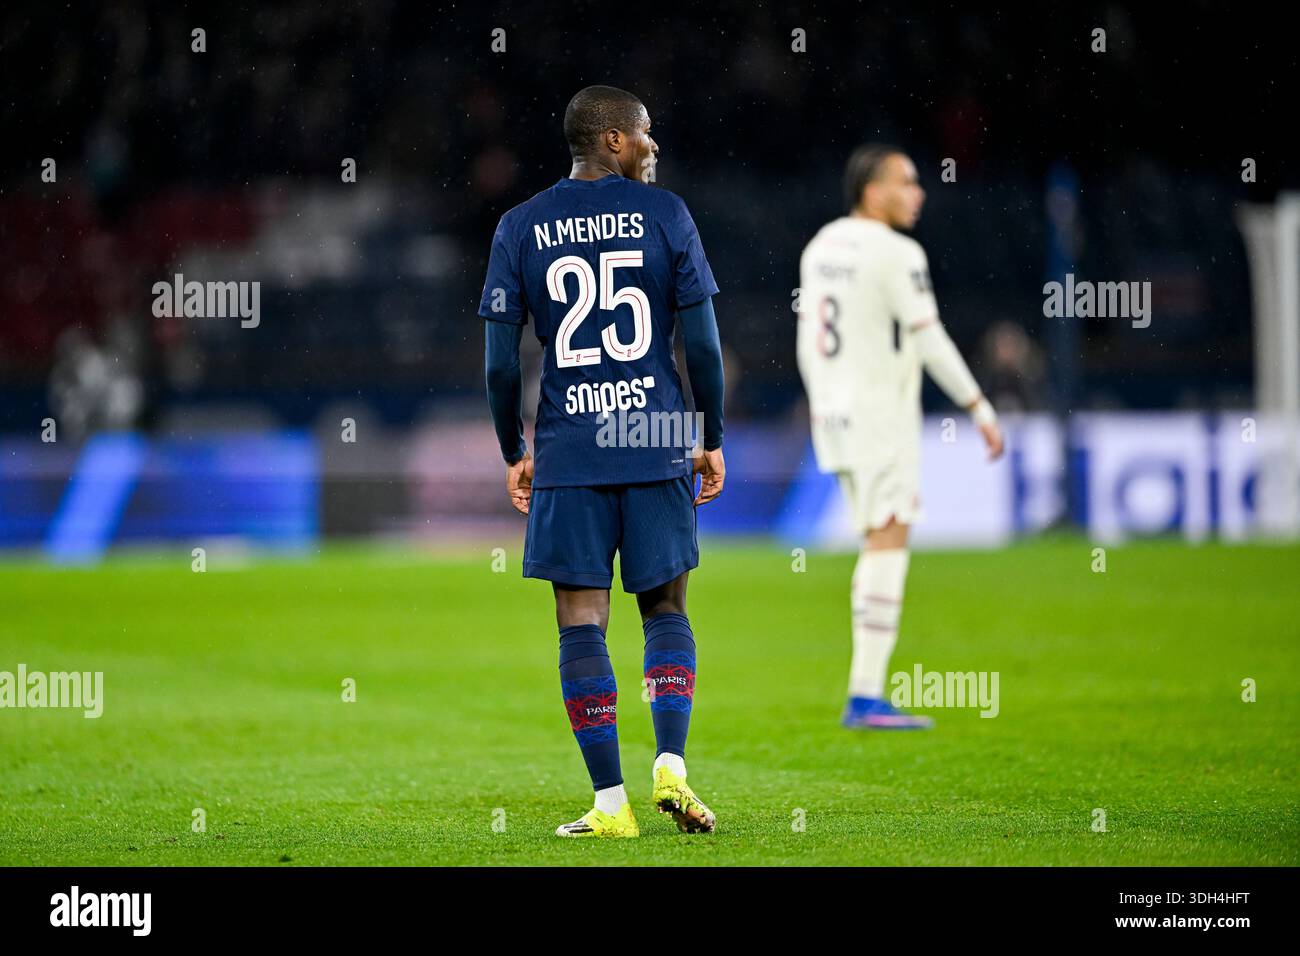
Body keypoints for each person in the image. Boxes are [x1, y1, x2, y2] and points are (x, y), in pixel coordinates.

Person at [479, 85, 726, 836]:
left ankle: (610, 804)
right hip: (654, 436)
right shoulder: (669, 215)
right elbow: (704, 345)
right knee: (665, 608)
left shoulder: (519, 226)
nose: (656, 146)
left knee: (581, 623)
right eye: (647, 133)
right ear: (614, 139)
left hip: (570, 445)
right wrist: (708, 434)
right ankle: (672, 766)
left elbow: (498, 364)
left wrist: (514, 450)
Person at [796, 145, 1004, 730]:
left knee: (875, 536)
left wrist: (822, 403)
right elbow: (929, 337)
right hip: (879, 417)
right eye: (906, 182)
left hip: (833, 414)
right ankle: (865, 696)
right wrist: (978, 405)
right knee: (891, 535)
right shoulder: (897, 252)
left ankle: (865, 692)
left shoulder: (821, 247)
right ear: (872, 189)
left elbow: (807, 341)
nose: (919, 193)